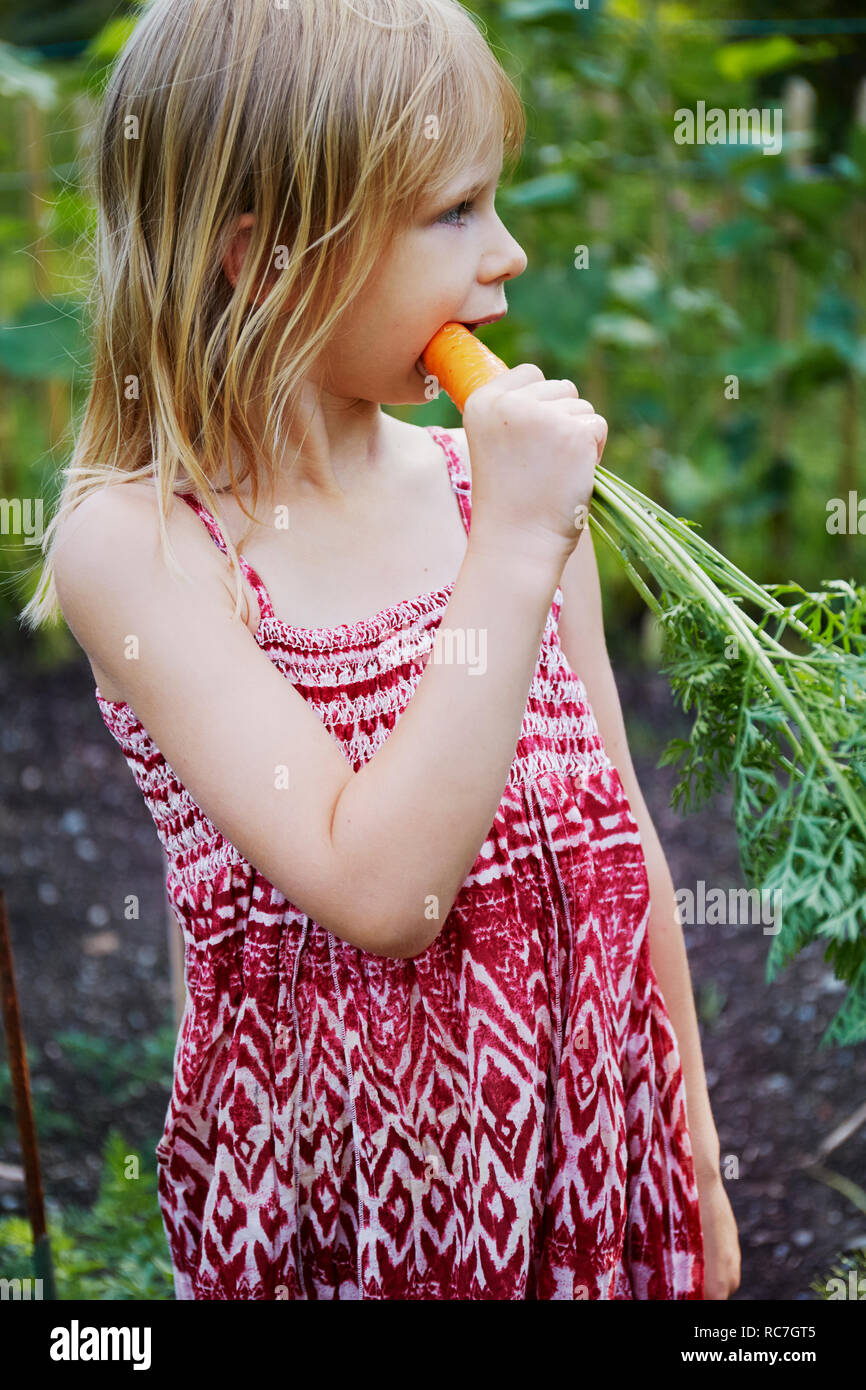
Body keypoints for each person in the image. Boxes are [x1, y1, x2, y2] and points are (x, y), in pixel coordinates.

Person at [23, 0, 739, 1300]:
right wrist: (516, 545)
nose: (507, 256)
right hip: (345, 1203)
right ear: (265, 254)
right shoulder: (140, 550)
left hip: (574, 1155)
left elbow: (620, 837)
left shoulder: (491, 493)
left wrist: (688, 1139)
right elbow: (381, 892)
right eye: (454, 213)